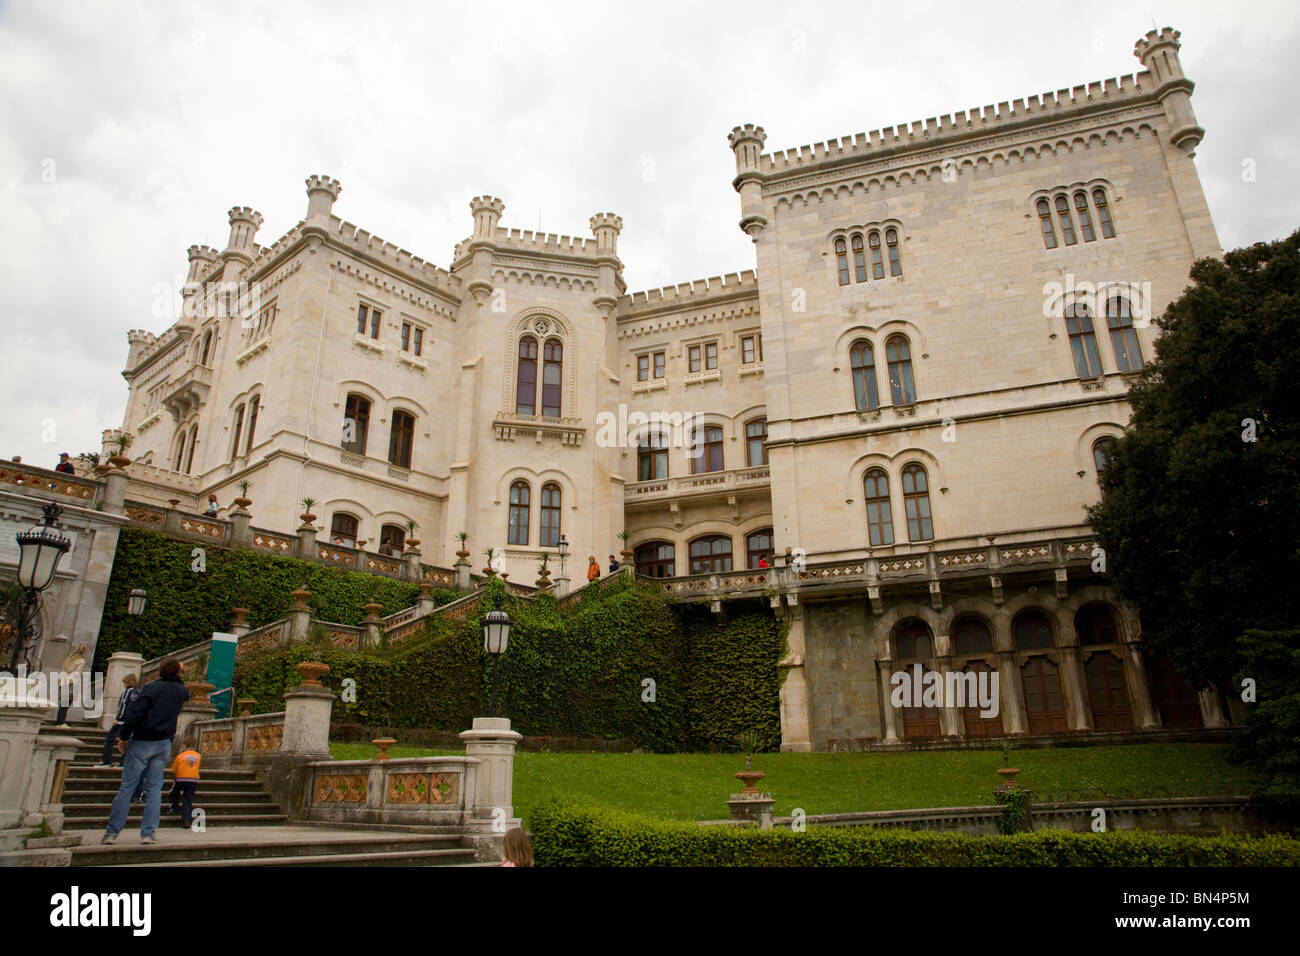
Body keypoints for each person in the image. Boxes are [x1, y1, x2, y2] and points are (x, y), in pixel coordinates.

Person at [101, 658, 190, 845]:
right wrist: (177, 678)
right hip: (164, 742)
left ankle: (112, 832)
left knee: (127, 788)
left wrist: (124, 736)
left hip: (142, 741)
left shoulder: (151, 688)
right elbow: (183, 689)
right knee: (155, 789)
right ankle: (148, 833)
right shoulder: (181, 691)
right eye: (181, 672)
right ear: (176, 674)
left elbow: (135, 713)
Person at [96, 673, 140, 767]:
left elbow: (123, 707)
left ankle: (106, 761)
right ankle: (123, 762)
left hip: (122, 721)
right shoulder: (137, 692)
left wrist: (118, 718)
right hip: (129, 721)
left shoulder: (128, 692)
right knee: (126, 742)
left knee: (110, 740)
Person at [168, 737, 202, 828]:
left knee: (174, 792)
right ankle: (187, 818)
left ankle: (174, 808)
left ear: (184, 745)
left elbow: (174, 769)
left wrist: (177, 773)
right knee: (188, 798)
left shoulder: (180, 756)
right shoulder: (198, 756)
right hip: (193, 779)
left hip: (181, 778)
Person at [54, 642, 87, 727]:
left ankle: (59, 721)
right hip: (71, 683)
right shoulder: (81, 660)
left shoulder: (68, 659)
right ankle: (60, 722)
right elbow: (78, 673)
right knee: (66, 703)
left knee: (63, 703)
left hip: (63, 681)